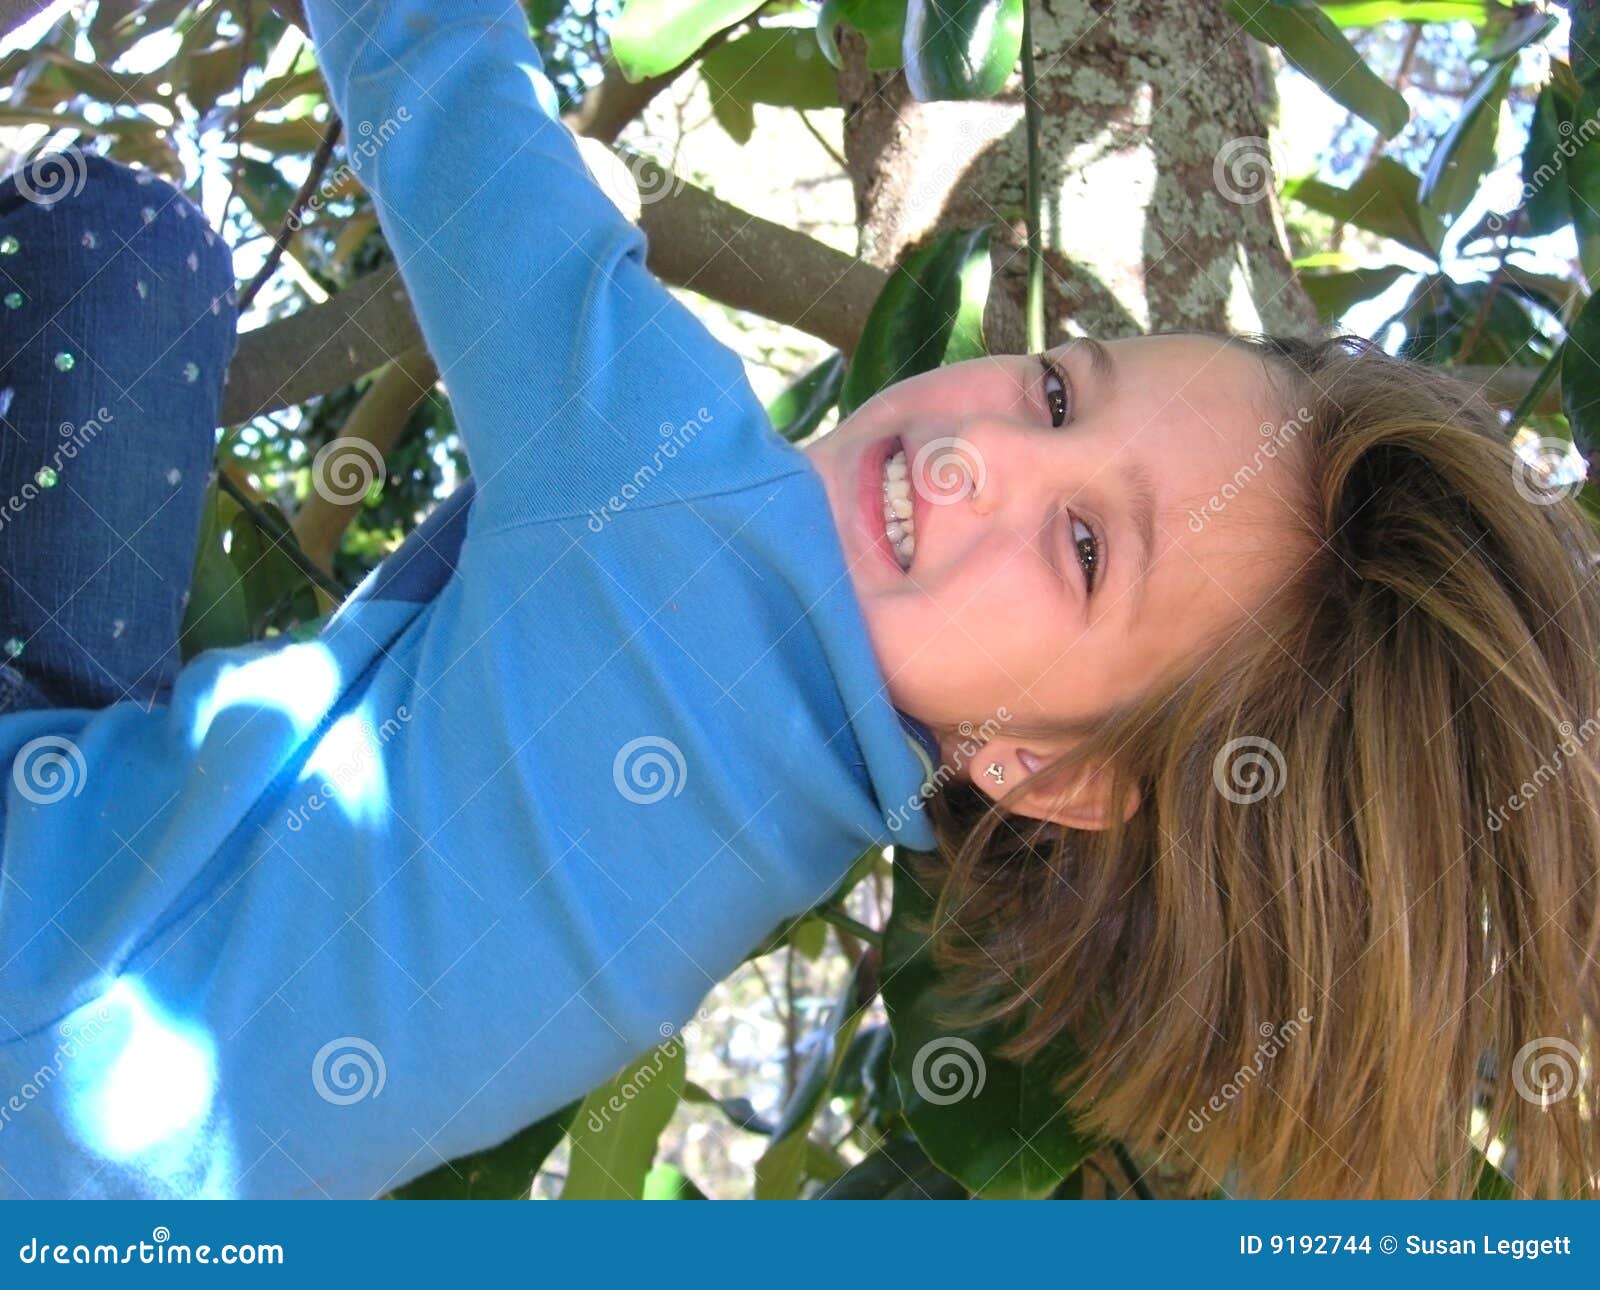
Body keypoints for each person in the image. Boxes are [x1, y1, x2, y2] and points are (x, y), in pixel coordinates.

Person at [0, 0, 1594, 1199]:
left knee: (112, 246)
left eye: (1088, 548)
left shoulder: (680, 499)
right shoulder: (787, 828)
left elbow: (435, 82)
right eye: (1054, 389)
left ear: (1051, 773)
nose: (980, 458)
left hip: (41, 910)